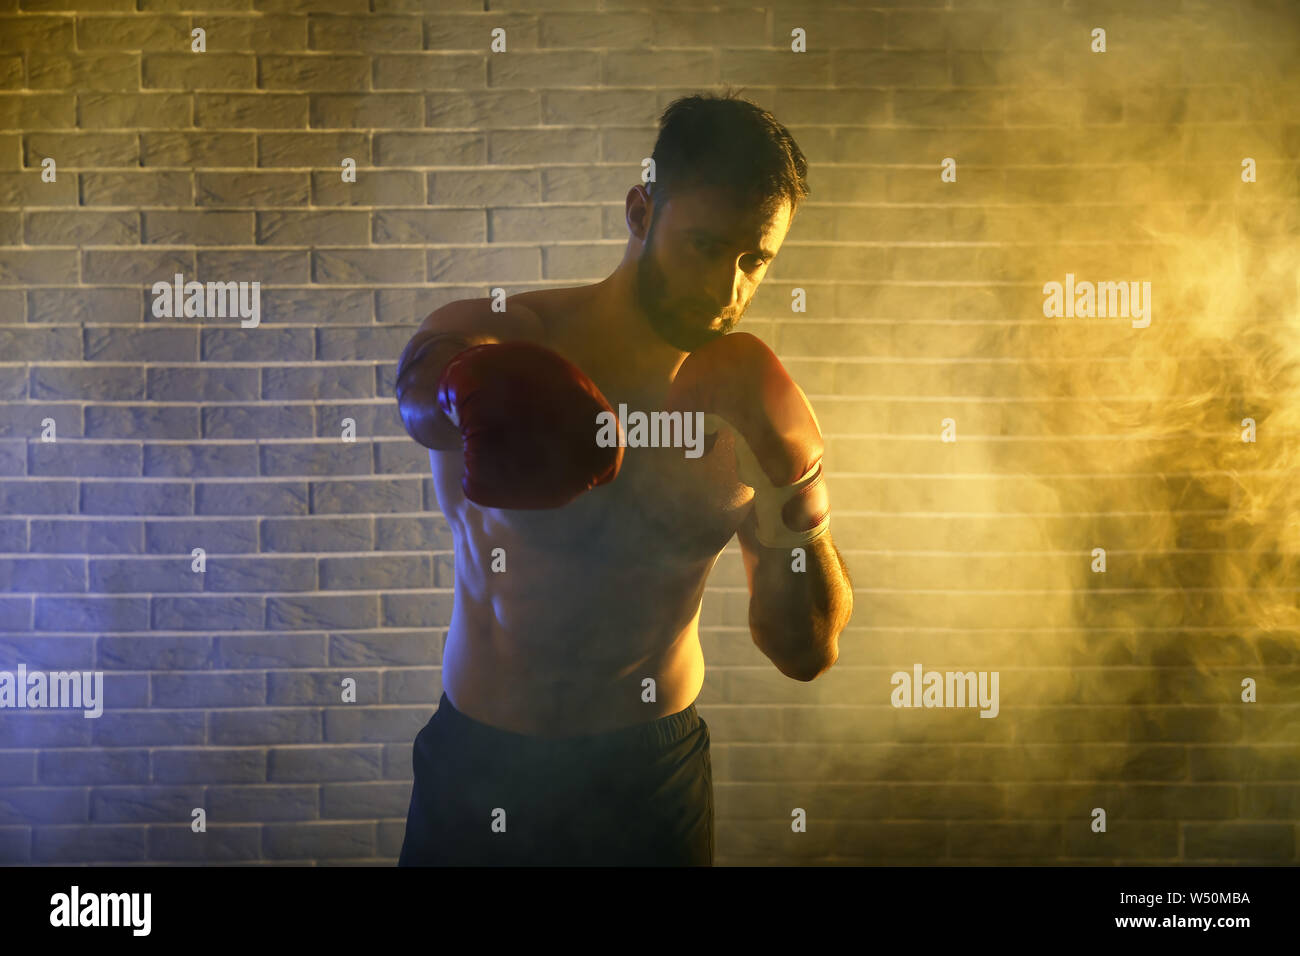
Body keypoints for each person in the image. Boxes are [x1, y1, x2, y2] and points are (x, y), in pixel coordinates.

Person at [395, 91, 854, 866]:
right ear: (642, 212)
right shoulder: (511, 335)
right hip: (484, 767)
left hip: (651, 777)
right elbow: (420, 393)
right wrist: (478, 386)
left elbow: (803, 651)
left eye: (755, 259)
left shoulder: (750, 405)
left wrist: (801, 498)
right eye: (704, 246)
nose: (727, 289)